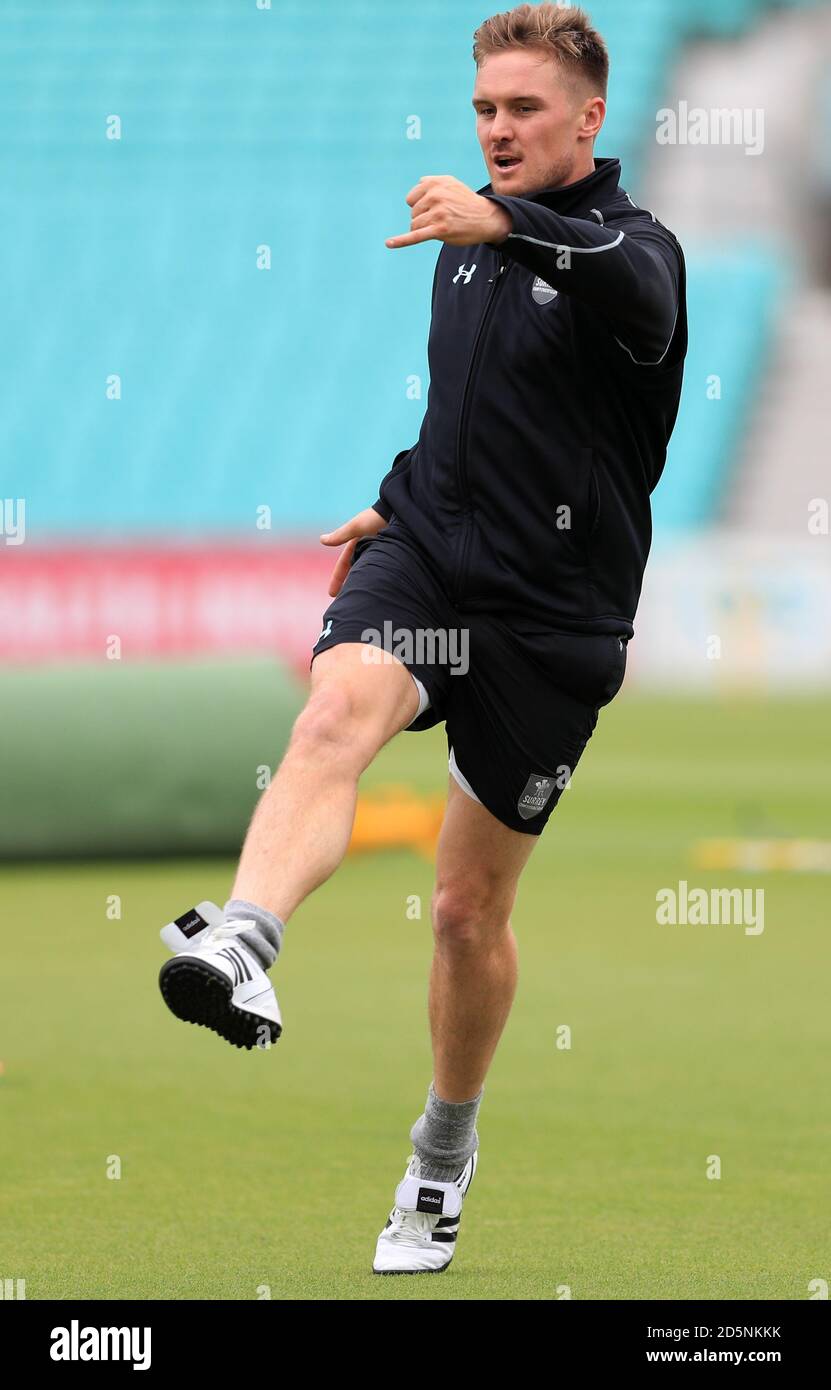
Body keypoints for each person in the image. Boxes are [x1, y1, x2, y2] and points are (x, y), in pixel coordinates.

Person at [158, 2, 687, 1276]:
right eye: (484, 114)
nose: (498, 131)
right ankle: (244, 940)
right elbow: (464, 407)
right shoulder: (460, 248)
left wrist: (507, 222)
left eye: (522, 111)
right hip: (433, 564)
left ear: (589, 118)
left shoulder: (634, 246)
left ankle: (440, 1159)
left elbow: (640, 302)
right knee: (335, 707)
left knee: (464, 908)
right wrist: (398, 498)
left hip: (556, 621)